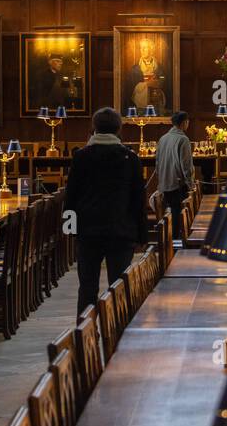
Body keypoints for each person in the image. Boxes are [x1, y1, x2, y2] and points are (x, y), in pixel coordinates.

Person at [64, 108, 147, 316]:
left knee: (87, 288)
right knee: (119, 288)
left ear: (94, 128)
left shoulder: (81, 157)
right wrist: (142, 236)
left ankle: (85, 337)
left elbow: (71, 196)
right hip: (121, 231)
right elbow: (138, 200)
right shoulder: (130, 158)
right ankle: (119, 334)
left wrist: (69, 230)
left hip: (88, 232)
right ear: (119, 129)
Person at [155, 111, 194, 241]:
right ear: (184, 123)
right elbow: (186, 166)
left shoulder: (163, 138)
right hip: (177, 184)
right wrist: (191, 185)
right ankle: (175, 245)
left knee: (170, 216)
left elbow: (157, 163)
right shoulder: (183, 139)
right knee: (177, 216)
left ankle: (168, 243)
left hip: (165, 183)